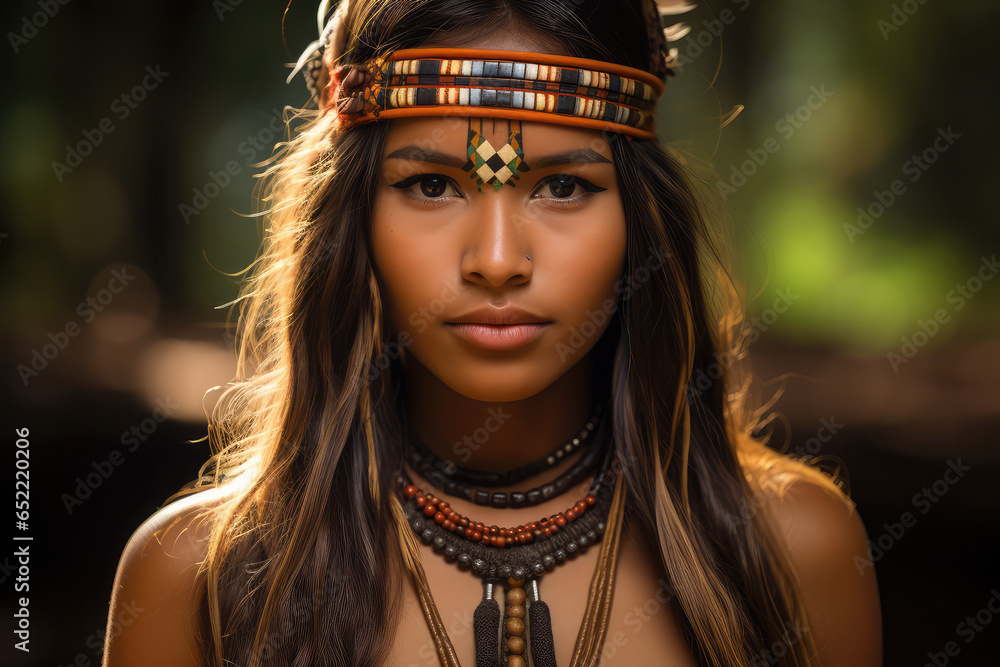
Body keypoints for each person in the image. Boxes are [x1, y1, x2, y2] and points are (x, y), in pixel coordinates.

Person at [102, 0, 882, 665]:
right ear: (352, 221)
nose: (499, 260)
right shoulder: (194, 578)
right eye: (432, 185)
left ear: (643, 223)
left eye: (565, 186)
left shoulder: (796, 552)